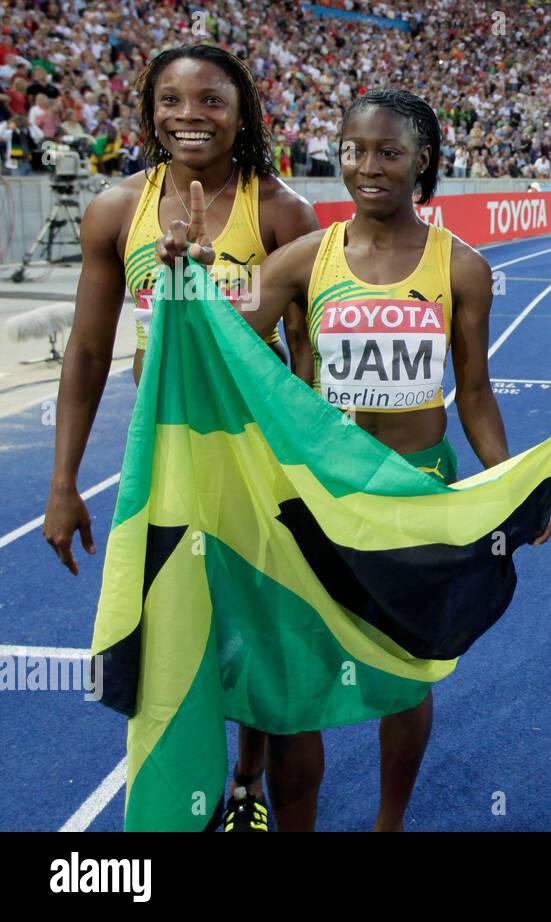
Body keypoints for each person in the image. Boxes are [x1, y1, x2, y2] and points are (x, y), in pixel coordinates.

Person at [160, 88, 551, 831]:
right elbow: (231, 342)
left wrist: (504, 481)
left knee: (407, 674)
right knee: (293, 674)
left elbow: (472, 391)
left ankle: (388, 823)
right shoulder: (306, 258)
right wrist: (190, 279)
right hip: (319, 495)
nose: (368, 167)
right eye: (353, 151)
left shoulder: (460, 267)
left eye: (389, 153)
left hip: (412, 490)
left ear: (422, 161)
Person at [43, 43, 319, 833]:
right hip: (162, 466)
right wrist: (62, 485)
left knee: (257, 632)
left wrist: (301, 466)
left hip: (254, 463)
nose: (189, 115)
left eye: (211, 101)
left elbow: (305, 352)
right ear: (148, 111)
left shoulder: (280, 212)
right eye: (171, 100)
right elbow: (90, 351)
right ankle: (187, 784)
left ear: (244, 114)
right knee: (176, 627)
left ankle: (247, 782)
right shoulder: (114, 210)